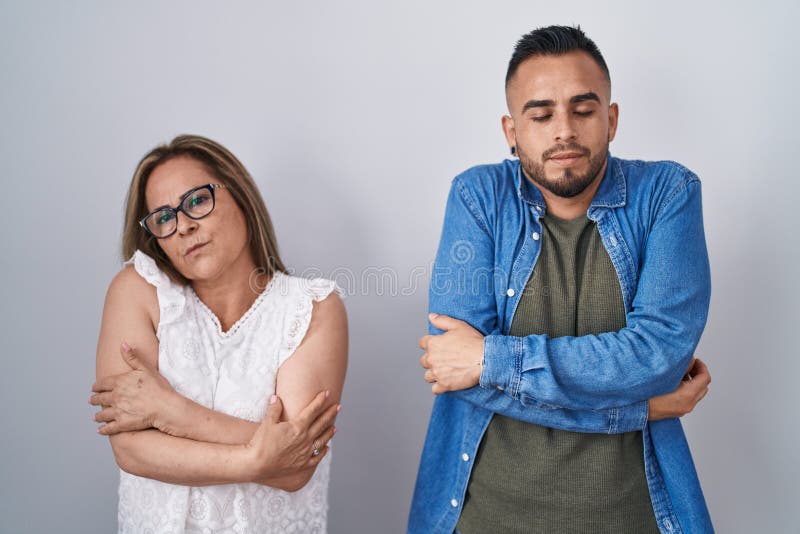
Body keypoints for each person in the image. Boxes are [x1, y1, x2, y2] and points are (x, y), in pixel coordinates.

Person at [411, 26, 713, 533]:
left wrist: (492, 359)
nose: (564, 131)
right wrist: (638, 410)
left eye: (583, 109)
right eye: (542, 113)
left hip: (631, 517)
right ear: (511, 130)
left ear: (611, 119)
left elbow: (658, 360)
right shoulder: (478, 197)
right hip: (485, 517)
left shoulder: (667, 194)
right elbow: (456, 375)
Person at [89, 134, 347, 533]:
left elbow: (296, 467)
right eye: (163, 218)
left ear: (240, 195)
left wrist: (171, 412)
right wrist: (256, 459)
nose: (184, 227)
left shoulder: (311, 308)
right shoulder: (137, 291)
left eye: (196, 201)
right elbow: (131, 449)